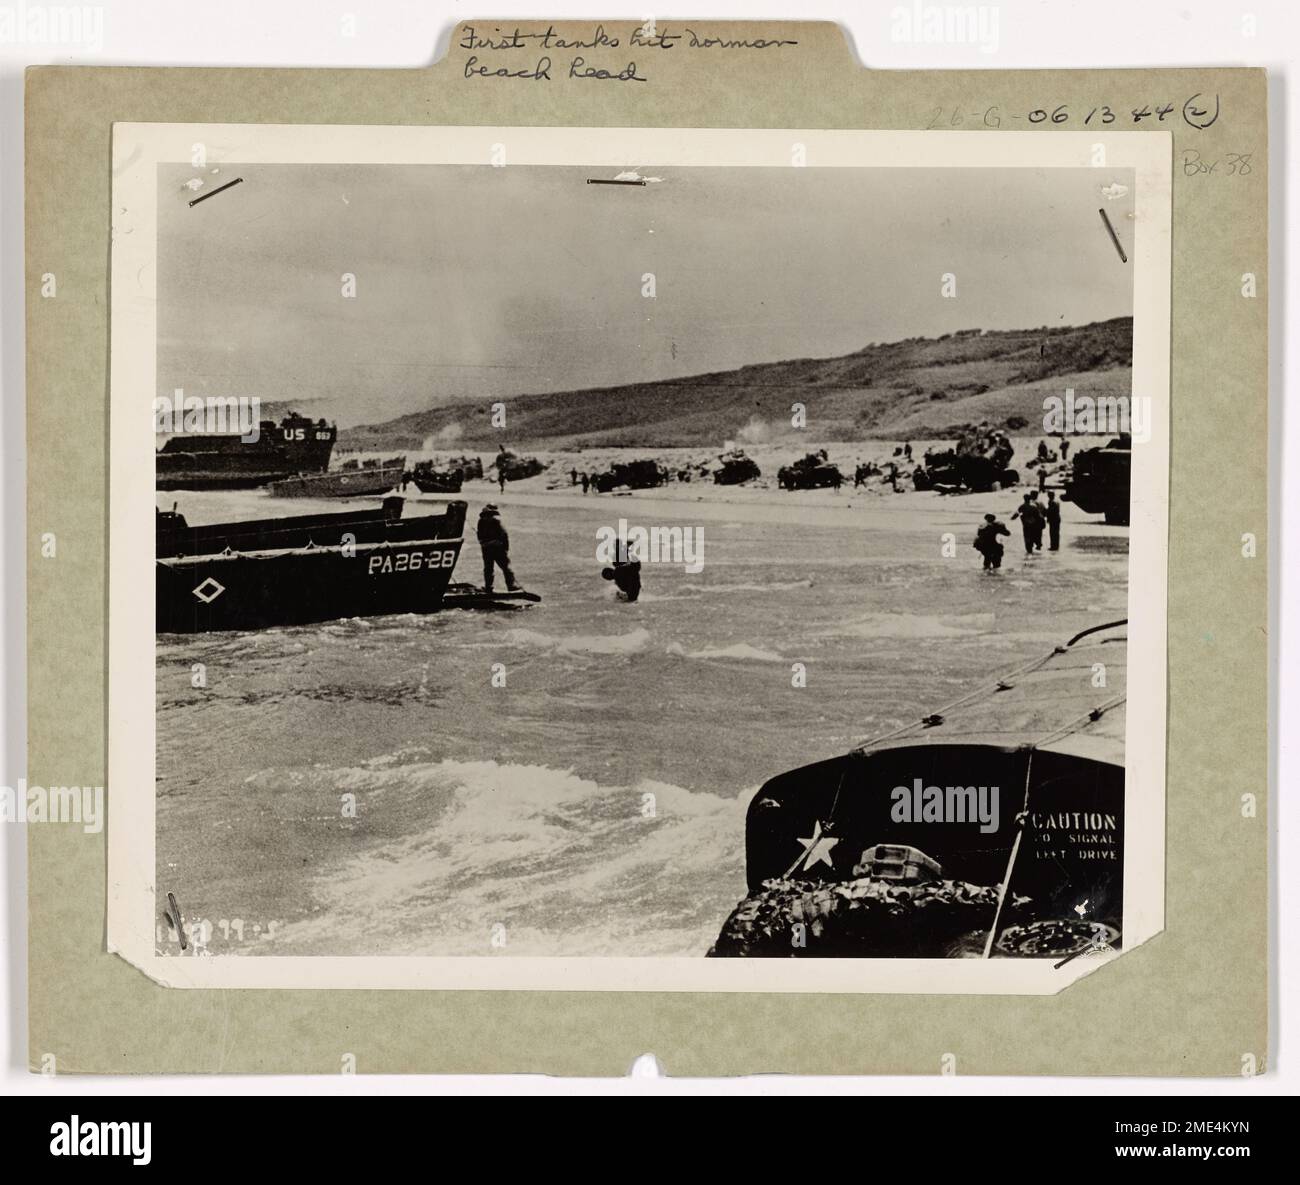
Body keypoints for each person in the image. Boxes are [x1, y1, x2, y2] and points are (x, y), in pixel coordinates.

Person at [477, 504, 521, 592]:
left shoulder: (481, 520)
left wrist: (483, 543)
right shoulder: (497, 520)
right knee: (506, 566)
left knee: (488, 568)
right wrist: (506, 548)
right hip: (497, 546)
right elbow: (504, 534)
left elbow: (479, 534)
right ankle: (511, 586)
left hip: (486, 547)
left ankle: (488, 587)